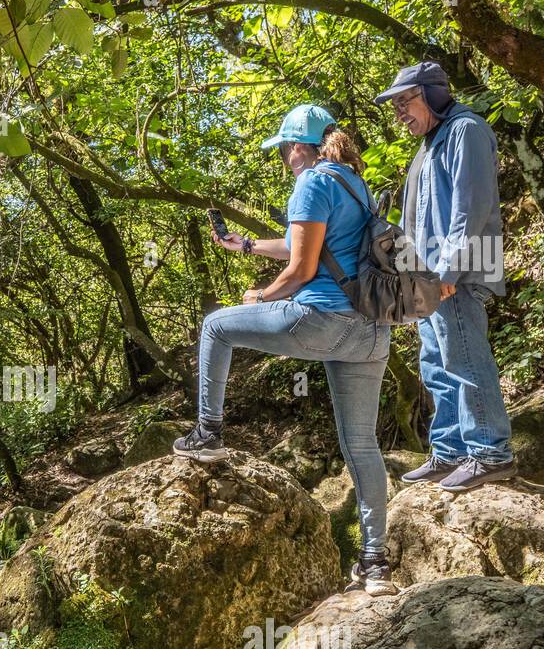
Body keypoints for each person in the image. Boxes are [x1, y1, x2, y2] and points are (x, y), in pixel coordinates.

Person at [173, 104, 395, 595]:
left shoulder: (311, 182)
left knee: (215, 327)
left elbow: (300, 270)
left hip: (322, 320)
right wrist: (248, 246)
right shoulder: (352, 183)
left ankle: (208, 434)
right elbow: (313, 248)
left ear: (298, 147)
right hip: (371, 333)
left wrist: (261, 295)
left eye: (283, 150)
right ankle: (375, 565)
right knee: (362, 445)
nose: (282, 159)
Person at [376, 62, 517, 491]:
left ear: (434, 94)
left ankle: (491, 452)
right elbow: (415, 223)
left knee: (464, 359)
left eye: (406, 100)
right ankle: (450, 450)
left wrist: (448, 272)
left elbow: (469, 209)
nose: (399, 112)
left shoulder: (466, 130)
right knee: (435, 363)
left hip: (459, 272)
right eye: (395, 105)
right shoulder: (428, 145)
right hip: (428, 276)